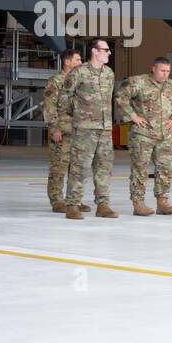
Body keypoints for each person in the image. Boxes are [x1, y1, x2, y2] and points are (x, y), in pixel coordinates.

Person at [116, 56, 172, 216]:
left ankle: (162, 202)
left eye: (168, 71)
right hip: (143, 135)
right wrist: (132, 116)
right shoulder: (138, 82)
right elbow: (121, 97)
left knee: (165, 169)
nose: (165, 74)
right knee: (140, 169)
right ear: (153, 69)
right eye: (162, 70)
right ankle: (138, 203)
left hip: (165, 137)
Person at [63, 38, 117, 220]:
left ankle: (103, 205)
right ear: (95, 51)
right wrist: (79, 115)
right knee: (80, 167)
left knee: (104, 167)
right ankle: (72, 204)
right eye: (106, 50)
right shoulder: (79, 72)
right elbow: (65, 98)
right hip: (85, 129)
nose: (109, 53)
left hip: (105, 128)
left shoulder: (109, 73)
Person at [43, 49, 85, 213]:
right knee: (58, 167)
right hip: (62, 130)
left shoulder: (80, 82)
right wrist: (54, 128)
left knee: (77, 168)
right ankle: (57, 200)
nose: (81, 63)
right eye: (78, 60)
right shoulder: (56, 81)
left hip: (78, 131)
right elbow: (49, 106)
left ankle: (73, 200)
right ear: (67, 62)